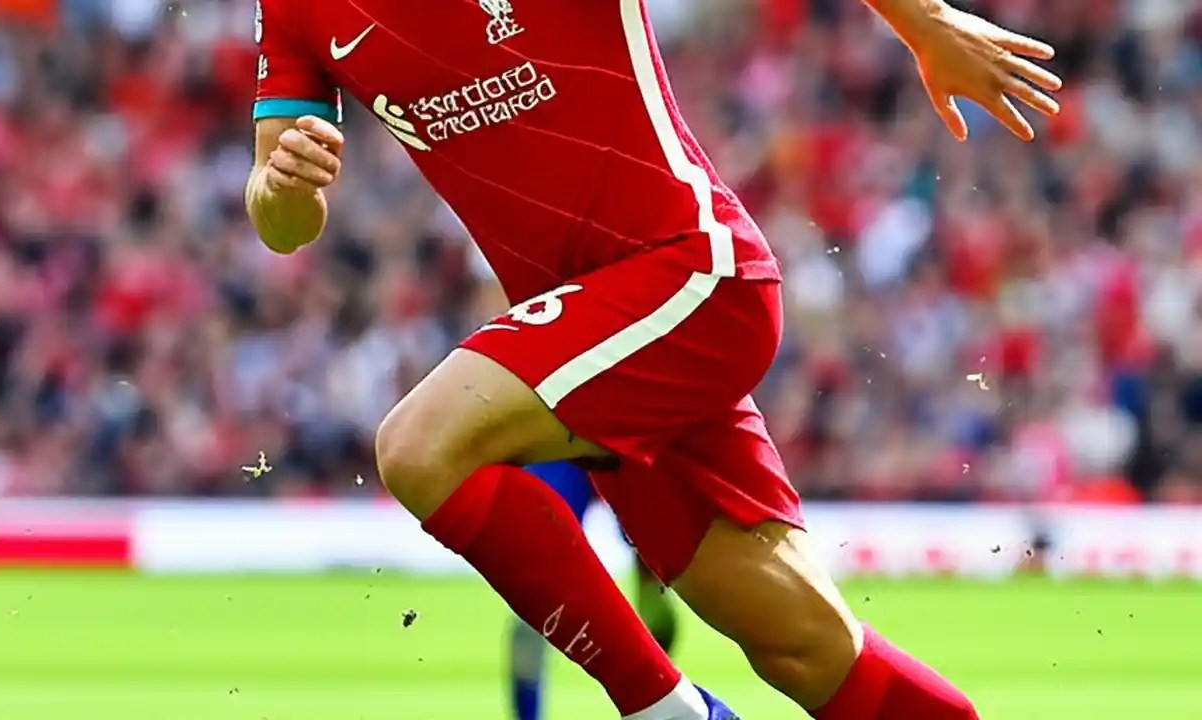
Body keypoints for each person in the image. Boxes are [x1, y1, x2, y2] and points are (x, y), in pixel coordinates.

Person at [246, 0, 1061, 716]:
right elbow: (282, 223)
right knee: (804, 647)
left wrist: (926, 22)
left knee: (419, 447)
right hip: (602, 338)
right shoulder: (292, 7)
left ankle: (667, 712)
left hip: (692, 275)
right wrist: (282, 187)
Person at [512, 462, 677, 720]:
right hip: (562, 441)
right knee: (537, 594)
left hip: (623, 442)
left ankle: (660, 704)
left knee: (654, 581)